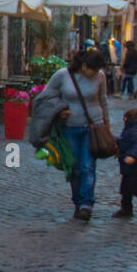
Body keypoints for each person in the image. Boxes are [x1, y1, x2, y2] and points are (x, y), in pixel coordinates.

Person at [38, 49, 111, 221]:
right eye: (92, 69)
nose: (94, 73)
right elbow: (47, 96)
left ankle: (86, 204)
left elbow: (103, 100)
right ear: (84, 65)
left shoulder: (100, 76)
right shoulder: (63, 75)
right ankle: (78, 202)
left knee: (88, 166)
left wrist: (107, 125)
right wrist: (58, 110)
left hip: (93, 127)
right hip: (69, 127)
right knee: (75, 167)